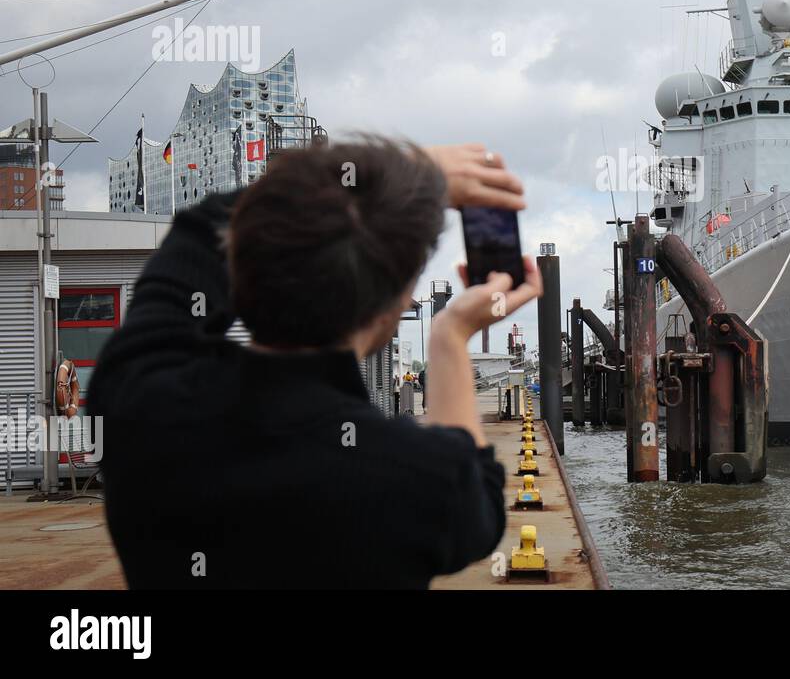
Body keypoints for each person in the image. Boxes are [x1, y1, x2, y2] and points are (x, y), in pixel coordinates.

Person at [88, 139, 540, 588]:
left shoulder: (138, 400)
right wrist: (450, 335)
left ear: (242, 267)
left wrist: (416, 173)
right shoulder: (420, 480)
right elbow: (475, 489)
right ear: (396, 304)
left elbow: (197, 232)